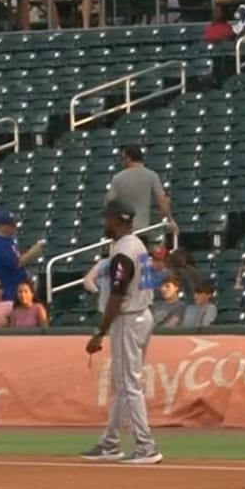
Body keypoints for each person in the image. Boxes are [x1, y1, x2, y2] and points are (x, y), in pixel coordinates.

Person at [82, 197, 162, 465]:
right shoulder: (136, 244)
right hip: (140, 314)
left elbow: (117, 295)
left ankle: (146, 446)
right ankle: (110, 442)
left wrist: (100, 332)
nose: (105, 222)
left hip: (129, 318)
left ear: (117, 220)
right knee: (123, 383)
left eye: (108, 218)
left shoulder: (125, 251)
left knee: (129, 384)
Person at [106, 145, 177, 234]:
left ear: (128, 159)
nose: (122, 162)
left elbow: (110, 204)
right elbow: (162, 200)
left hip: (123, 231)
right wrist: (170, 220)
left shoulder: (117, 178)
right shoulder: (152, 175)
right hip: (142, 229)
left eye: (122, 158)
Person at [0, 208, 46, 302]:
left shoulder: (10, 239)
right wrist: (33, 252)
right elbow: (16, 263)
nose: (15, 227)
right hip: (9, 291)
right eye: (11, 225)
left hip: (19, 287)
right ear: (2, 226)